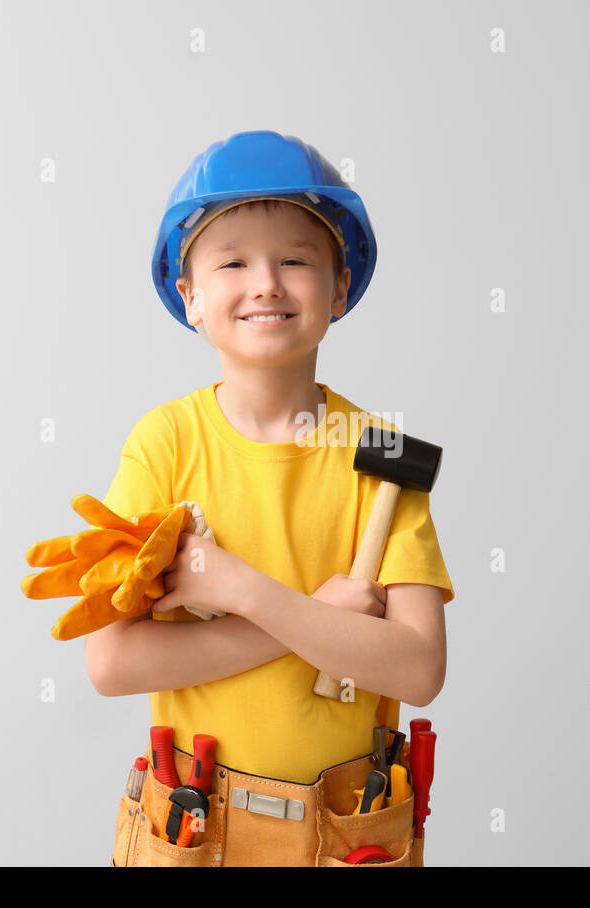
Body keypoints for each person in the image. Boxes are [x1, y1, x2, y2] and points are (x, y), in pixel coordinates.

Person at [87, 130, 454, 865]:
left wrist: (243, 590)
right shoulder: (163, 443)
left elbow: (419, 671)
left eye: (294, 259)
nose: (266, 283)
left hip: (348, 835)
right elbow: (113, 664)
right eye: (233, 261)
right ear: (189, 297)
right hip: (199, 828)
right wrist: (311, 618)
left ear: (340, 286)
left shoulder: (381, 450)